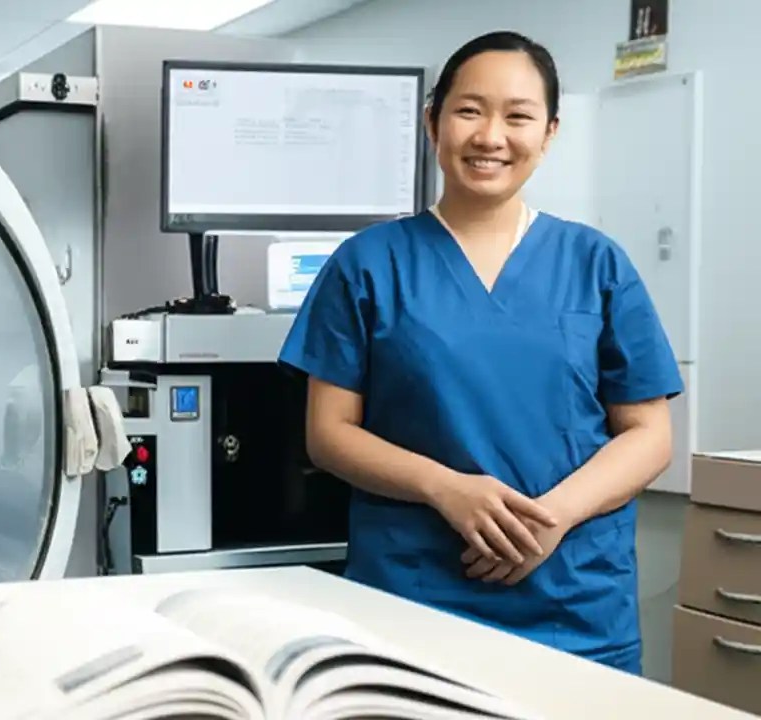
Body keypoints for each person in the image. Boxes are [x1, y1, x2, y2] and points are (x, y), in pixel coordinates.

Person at [277, 29, 681, 675]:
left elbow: (650, 434)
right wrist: (446, 489)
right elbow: (329, 434)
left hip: (574, 606)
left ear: (548, 133)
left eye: (518, 116)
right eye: (469, 110)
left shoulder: (596, 263)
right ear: (432, 121)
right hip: (413, 600)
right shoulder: (368, 265)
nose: (492, 136)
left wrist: (550, 518)